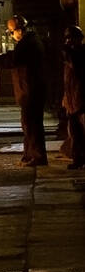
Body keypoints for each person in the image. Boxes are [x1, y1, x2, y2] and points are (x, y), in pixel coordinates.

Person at [0, 16, 48, 166]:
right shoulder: (29, 42)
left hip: (31, 90)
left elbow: (13, 59)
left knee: (32, 124)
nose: (11, 35)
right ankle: (30, 154)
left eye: (11, 32)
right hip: (28, 91)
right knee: (28, 124)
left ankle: (38, 156)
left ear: (20, 29)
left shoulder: (28, 44)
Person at [61, 25, 85, 170]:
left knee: (80, 132)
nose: (69, 41)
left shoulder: (80, 54)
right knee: (75, 134)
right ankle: (78, 159)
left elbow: (77, 70)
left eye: (72, 38)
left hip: (81, 99)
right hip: (72, 100)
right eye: (68, 38)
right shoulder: (70, 56)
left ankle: (80, 158)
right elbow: (67, 81)